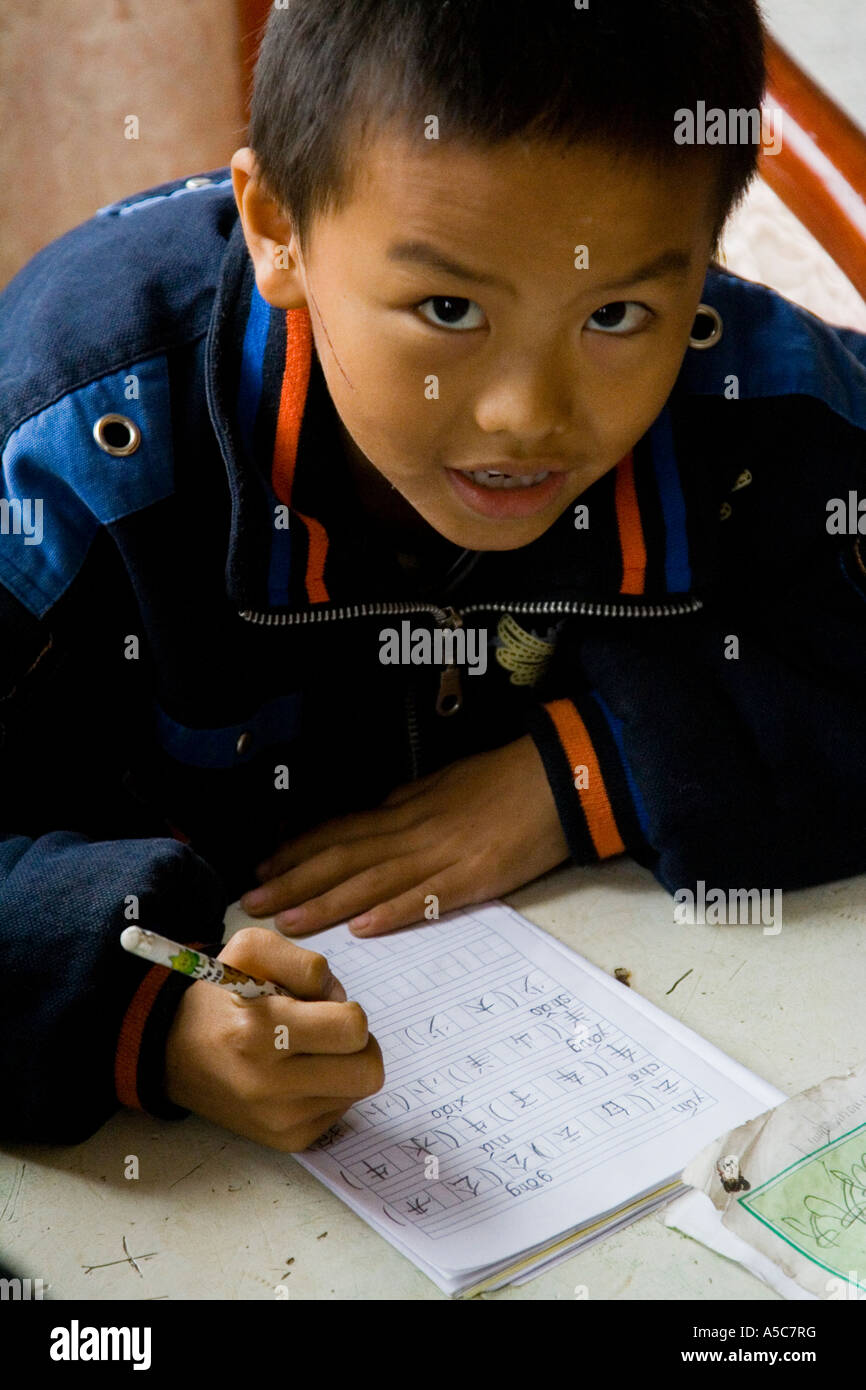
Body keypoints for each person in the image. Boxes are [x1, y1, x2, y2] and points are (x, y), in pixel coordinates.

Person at [2, 0, 865, 1151]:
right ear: (277, 229)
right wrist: (131, 1015)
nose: (526, 417)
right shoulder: (72, 452)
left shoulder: (752, 397)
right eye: (447, 309)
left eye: (615, 313)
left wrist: (585, 774)